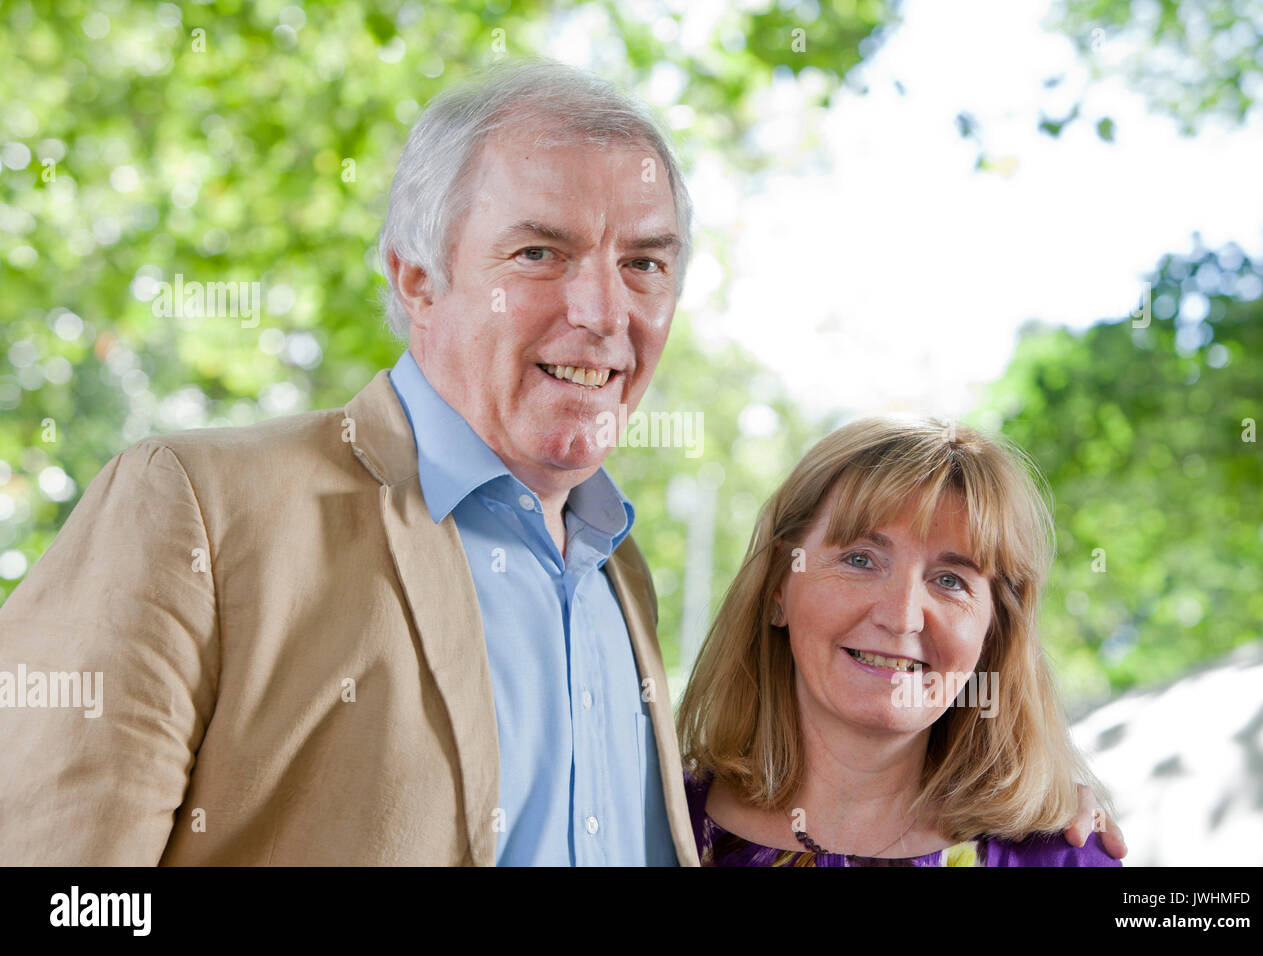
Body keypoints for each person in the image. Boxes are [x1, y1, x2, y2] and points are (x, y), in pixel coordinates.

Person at [0, 60, 1118, 866]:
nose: (601, 312)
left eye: (645, 264)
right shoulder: (196, 503)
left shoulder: (610, 566)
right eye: (540, 252)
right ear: (417, 278)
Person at [676, 418, 1122, 865]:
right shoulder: (643, 820)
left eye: (950, 579)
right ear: (778, 584)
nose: (901, 617)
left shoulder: (1066, 857)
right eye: (860, 560)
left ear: (994, 631)